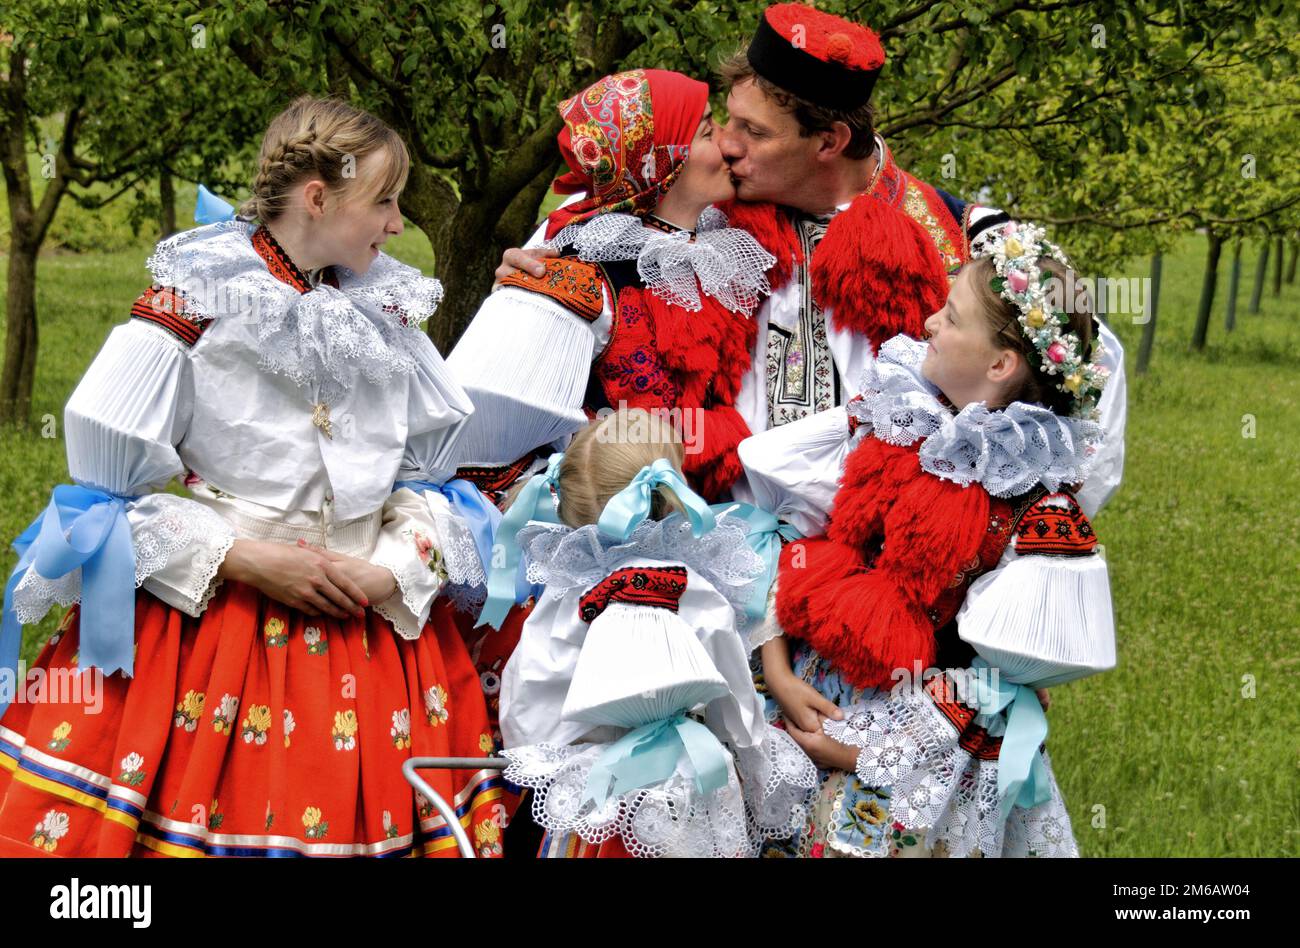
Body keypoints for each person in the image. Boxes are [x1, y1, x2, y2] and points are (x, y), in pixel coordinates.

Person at [0, 97, 504, 858]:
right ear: (317, 197)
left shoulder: (386, 315)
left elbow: (434, 485)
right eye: (385, 201)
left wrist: (389, 571)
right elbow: (100, 502)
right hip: (218, 630)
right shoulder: (195, 300)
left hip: (373, 638)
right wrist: (242, 558)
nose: (398, 224)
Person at [499, 3, 1126, 517]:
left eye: (757, 133)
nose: (727, 146)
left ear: (829, 141)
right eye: (727, 121)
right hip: (690, 550)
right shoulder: (688, 209)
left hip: (868, 574)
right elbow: (582, 245)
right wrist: (534, 289)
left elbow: (1086, 383)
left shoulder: (964, 241)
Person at [743, 220, 1116, 857]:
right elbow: (800, 533)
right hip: (804, 689)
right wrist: (775, 669)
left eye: (951, 315)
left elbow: (999, 672)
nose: (930, 323)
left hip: (917, 750)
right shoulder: (893, 416)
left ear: (1000, 364)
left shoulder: (1033, 500)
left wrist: (860, 752)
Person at [446, 67, 776, 514]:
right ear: (661, 165)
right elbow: (480, 445)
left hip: (722, 513)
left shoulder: (729, 246)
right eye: (705, 131)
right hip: (611, 530)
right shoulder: (584, 276)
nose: (727, 142)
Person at [497, 409, 816, 857]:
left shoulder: (564, 596)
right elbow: (736, 700)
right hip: (684, 791)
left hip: (593, 799)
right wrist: (755, 760)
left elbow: (527, 692)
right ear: (671, 497)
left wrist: (550, 758)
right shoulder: (694, 589)